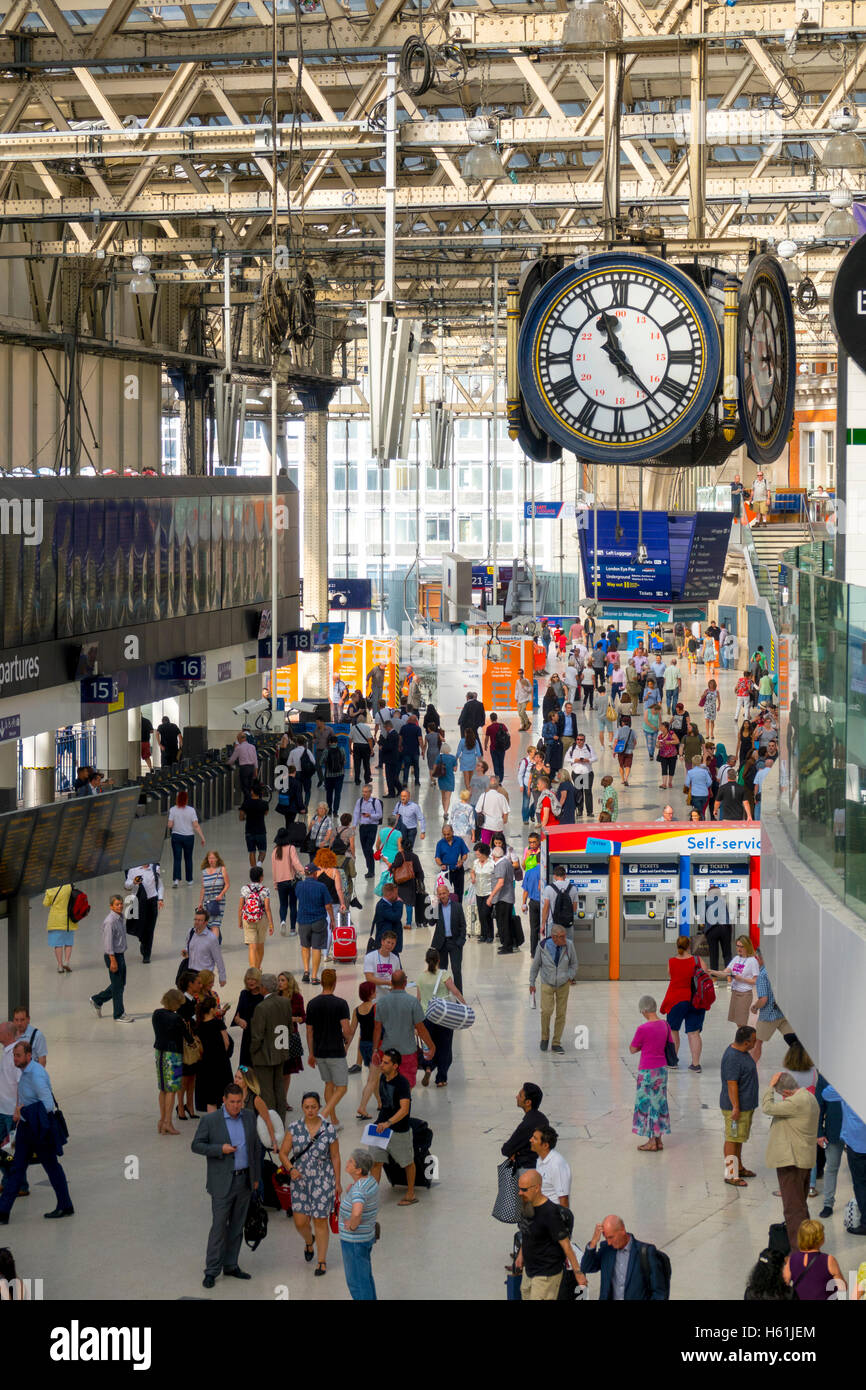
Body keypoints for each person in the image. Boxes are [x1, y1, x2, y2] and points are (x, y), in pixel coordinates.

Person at [191, 1082, 260, 1289]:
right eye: (232, 1102)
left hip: (244, 1180)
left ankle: (231, 1264)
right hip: (222, 1182)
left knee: (237, 1226)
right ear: (224, 1101)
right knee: (219, 1227)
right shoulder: (211, 1120)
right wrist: (220, 1149)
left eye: (239, 1102)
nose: (236, 1106)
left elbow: (255, 1148)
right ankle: (212, 1270)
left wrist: (255, 1177)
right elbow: (196, 1145)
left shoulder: (249, 1116)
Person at [0, 1037, 73, 1225]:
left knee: (51, 1167)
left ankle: (65, 1205)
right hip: (25, 1128)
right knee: (16, 1168)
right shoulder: (24, 1072)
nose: (15, 1059)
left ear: (28, 1055)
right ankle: (3, 1211)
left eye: (18, 1056)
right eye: (14, 1056)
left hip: (40, 1130)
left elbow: (48, 1105)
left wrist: (22, 1111)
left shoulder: (36, 1074)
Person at [278, 1090, 341, 1277]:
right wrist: (291, 1168)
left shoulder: (329, 1129)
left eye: (314, 1107)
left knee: (320, 1220)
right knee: (300, 1222)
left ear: (319, 1107)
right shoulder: (294, 1128)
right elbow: (283, 1153)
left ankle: (321, 1261)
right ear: (302, 1108)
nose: (310, 1110)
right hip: (300, 1181)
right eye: (307, 1107)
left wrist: (337, 1182)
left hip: (323, 1180)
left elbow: (335, 1156)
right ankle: (308, 1240)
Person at [763, 1070, 820, 1250]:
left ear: (785, 1092)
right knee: (800, 1208)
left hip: (792, 1163)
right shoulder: (809, 1097)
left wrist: (770, 1087)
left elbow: (767, 1108)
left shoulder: (795, 1102)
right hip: (803, 1160)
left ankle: (799, 1253)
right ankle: (809, 1245)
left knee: (793, 1210)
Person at [514, 1169, 584, 1300]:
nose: (520, 1193)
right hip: (529, 1270)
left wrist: (578, 1273)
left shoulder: (550, 1213)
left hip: (546, 1275)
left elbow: (566, 1245)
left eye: (524, 1189)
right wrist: (521, 1254)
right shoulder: (526, 1204)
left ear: (536, 1188)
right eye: (519, 1189)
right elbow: (527, 1232)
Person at [369, 1048, 419, 1206]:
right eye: (382, 1062)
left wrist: (388, 1123)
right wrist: (380, 1122)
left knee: (407, 1162)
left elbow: (404, 1109)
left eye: (386, 1063)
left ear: (395, 1065)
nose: (382, 1065)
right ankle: (372, 1196)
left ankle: (410, 1193)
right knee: (376, 1161)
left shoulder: (402, 1084)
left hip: (398, 1130)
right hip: (380, 1128)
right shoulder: (383, 1078)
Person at [580, 1215, 668, 1300]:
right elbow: (586, 1267)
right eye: (606, 1238)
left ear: (622, 1230)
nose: (609, 1242)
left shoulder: (646, 1252)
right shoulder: (606, 1250)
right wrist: (593, 1242)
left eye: (611, 1237)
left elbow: (659, 1292)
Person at [372, 970, 434, 1090]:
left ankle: (392, 1106)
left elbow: (377, 1028)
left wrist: (375, 1049)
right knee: (406, 1086)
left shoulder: (381, 1002)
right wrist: (431, 1046)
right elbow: (421, 1029)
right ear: (405, 983)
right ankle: (403, 1106)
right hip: (408, 1051)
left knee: (389, 1084)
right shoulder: (413, 1002)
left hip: (387, 1051)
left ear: (391, 983)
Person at [818, 1082, 866, 1234]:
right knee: (835, 1169)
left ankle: (864, 1219)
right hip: (846, 1136)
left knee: (860, 1184)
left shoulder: (846, 1084)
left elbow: (826, 1094)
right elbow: (822, 1098)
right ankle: (829, 1204)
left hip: (856, 1141)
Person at [305, 970, 351, 1126]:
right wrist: (347, 1039)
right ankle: (324, 1114)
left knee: (328, 1084)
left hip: (319, 1051)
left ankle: (333, 1119)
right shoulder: (341, 1004)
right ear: (335, 982)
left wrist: (311, 1053)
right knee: (342, 1087)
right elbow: (346, 1030)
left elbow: (309, 1031)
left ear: (322, 982)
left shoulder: (312, 1004)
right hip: (335, 1051)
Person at [416, 948, 465, 1089]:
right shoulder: (444, 974)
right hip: (444, 1017)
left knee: (430, 1045)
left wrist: (416, 1020)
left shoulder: (420, 977)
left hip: (427, 1017)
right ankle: (441, 1078)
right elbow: (455, 991)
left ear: (426, 961)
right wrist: (465, 1007)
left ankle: (428, 1067)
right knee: (444, 1047)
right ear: (438, 960)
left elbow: (418, 999)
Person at [629, 996, 671, 1153]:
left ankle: (651, 1141)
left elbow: (632, 1049)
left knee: (647, 1105)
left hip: (647, 1071)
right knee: (659, 1102)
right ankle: (659, 1139)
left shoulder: (643, 1029)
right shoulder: (665, 1025)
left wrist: (644, 1046)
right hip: (661, 1070)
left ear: (644, 1010)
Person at [249, 973, 293, 1121]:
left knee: (267, 1092)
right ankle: (281, 1120)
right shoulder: (286, 1002)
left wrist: (252, 1051)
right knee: (279, 1089)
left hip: (264, 1056)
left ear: (263, 988)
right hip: (281, 1052)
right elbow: (289, 1028)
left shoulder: (261, 1007)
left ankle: (271, 1125)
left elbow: (257, 1036)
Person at [720, 1025, 759, 1187]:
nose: (755, 1044)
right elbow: (731, 1084)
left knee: (738, 1138)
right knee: (732, 1138)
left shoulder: (742, 1052)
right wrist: (735, 1107)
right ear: (746, 1043)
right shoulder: (733, 1058)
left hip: (745, 1105)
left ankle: (739, 1167)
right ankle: (730, 1173)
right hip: (736, 1107)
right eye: (754, 1041)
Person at [529, 925, 578, 1055]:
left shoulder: (569, 945)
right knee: (546, 1011)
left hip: (563, 984)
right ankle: (545, 1037)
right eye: (562, 937)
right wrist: (532, 982)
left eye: (564, 936)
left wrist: (569, 977)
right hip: (547, 983)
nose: (564, 939)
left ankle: (556, 1042)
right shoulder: (543, 946)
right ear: (554, 937)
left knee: (561, 1013)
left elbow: (574, 964)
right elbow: (536, 965)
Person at [339, 1147, 379, 1300]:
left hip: (354, 1241)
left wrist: (352, 1225)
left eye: (351, 1162)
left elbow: (356, 1212)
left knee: (356, 1283)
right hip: (366, 1237)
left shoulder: (359, 1190)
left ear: (358, 1170)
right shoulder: (369, 1181)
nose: (347, 1163)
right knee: (365, 1278)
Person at [661, 936, 704, 1071]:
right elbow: (705, 976)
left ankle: (673, 1062)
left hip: (676, 1000)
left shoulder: (672, 962)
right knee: (694, 1033)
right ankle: (696, 1064)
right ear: (689, 946)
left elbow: (671, 975)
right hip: (695, 1000)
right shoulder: (697, 960)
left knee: (674, 1031)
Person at [89, 893, 133, 1023]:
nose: (120, 906)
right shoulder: (110, 921)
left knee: (119, 984)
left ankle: (97, 999)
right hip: (113, 956)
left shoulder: (119, 918)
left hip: (120, 955)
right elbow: (108, 943)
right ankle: (118, 1014)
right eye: (117, 904)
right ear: (111, 906)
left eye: (121, 904)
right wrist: (113, 960)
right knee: (118, 986)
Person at [781, 1219, 846, 1299]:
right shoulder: (829, 1260)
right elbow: (843, 1287)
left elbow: (784, 1284)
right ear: (821, 1239)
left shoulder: (792, 1259)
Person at [152, 988, 186, 1135]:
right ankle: (168, 1122)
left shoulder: (156, 1014)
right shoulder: (176, 1018)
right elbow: (187, 1036)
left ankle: (162, 1120)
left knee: (163, 1089)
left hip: (159, 1053)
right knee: (172, 1089)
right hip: (174, 1056)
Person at [295, 864, 335, 985]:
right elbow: (328, 905)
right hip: (318, 920)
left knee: (305, 946)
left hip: (303, 920)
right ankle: (314, 977)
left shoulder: (299, 885)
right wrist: (332, 920)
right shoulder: (321, 886)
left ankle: (306, 971)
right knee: (316, 948)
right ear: (314, 873)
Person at [709, 934, 759, 1028]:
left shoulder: (752, 961)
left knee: (741, 1022)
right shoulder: (736, 958)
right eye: (737, 946)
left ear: (747, 946)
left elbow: (755, 981)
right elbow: (725, 973)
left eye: (741, 946)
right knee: (737, 1022)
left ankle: (743, 1040)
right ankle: (742, 1040)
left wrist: (742, 979)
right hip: (735, 993)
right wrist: (712, 972)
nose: (739, 949)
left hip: (744, 994)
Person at [194, 992, 233, 1113]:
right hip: (220, 1062)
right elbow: (226, 1042)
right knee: (224, 1093)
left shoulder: (198, 1026)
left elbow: (198, 1045)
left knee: (210, 1097)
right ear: (211, 1010)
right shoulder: (218, 1023)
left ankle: (213, 1124)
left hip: (205, 1063)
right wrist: (223, 1055)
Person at [751, 952, 791, 1064]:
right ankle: (805, 1068)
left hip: (768, 1015)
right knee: (795, 1043)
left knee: (757, 1043)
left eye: (756, 957)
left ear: (760, 958)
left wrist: (755, 1007)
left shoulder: (763, 975)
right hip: (785, 1013)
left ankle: (749, 1069)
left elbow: (763, 1000)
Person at [815, 1073, 845, 1220]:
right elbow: (818, 1105)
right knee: (831, 1168)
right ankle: (828, 1204)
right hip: (834, 1131)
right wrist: (819, 1132)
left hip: (857, 1132)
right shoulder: (826, 1075)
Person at [501, 1083, 547, 1170]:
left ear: (528, 1102)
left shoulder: (527, 1125)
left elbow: (506, 1149)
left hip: (527, 1169)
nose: (517, 1097)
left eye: (520, 1096)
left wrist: (515, 1152)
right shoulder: (543, 1119)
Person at [237, 863, 274, 971]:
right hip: (261, 918)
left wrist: (239, 920)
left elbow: (240, 907)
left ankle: (253, 970)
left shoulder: (244, 889)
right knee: (260, 945)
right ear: (261, 877)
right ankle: (258, 968)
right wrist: (271, 924)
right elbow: (267, 908)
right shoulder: (265, 890)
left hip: (248, 919)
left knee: (252, 947)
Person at [182, 907, 227, 986]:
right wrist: (186, 950)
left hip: (204, 976)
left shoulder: (212, 938)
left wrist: (222, 978)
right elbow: (188, 946)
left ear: (206, 922)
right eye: (195, 919)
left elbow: (218, 959)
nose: (196, 922)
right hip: (191, 974)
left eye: (199, 920)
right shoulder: (191, 932)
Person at [168, 791, 205, 887]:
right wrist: (202, 837)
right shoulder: (191, 810)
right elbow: (196, 825)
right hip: (189, 837)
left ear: (177, 799)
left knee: (177, 858)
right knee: (188, 858)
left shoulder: (173, 810)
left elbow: (170, 825)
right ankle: (189, 880)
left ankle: (176, 880)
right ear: (186, 799)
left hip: (176, 837)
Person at [231, 967, 264, 1069]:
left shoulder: (264, 996)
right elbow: (237, 1016)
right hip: (247, 1036)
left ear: (259, 980)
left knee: (259, 1066)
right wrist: (239, 1020)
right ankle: (245, 1083)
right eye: (248, 979)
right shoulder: (244, 994)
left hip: (261, 1036)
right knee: (245, 1066)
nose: (250, 982)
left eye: (253, 979)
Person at [530, 1126, 571, 1208]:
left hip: (552, 1216)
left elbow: (563, 1198)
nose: (530, 1140)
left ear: (545, 1145)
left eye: (535, 1138)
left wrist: (564, 1219)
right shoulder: (540, 1159)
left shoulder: (557, 1164)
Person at [271, 830, 303, 937]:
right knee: (293, 905)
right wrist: (304, 872)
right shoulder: (291, 848)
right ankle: (293, 929)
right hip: (291, 882)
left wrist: (275, 883)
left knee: (283, 904)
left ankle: (282, 921)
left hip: (280, 882)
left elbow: (274, 869)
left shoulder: (275, 851)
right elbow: (296, 863)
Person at [489, 836, 517, 954]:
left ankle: (507, 946)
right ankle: (506, 943)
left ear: (494, 856)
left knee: (503, 922)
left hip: (504, 898)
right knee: (505, 921)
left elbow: (500, 883)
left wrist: (491, 896)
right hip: (507, 896)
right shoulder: (507, 862)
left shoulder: (501, 865)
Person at [43, 882, 77, 974]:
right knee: (68, 942)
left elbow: (46, 903)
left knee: (58, 944)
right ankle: (67, 961)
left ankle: (60, 965)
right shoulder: (69, 886)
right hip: (68, 919)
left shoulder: (50, 888)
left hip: (55, 920)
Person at [540, 863, 578, 944]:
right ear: (565, 876)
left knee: (553, 947)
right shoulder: (573, 888)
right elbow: (574, 909)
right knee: (568, 946)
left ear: (555, 876)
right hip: (568, 924)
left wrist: (543, 925)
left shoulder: (549, 888)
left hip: (553, 923)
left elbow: (546, 908)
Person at [353, 784, 384, 880]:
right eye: (363, 791)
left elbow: (379, 815)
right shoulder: (360, 801)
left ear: (370, 792)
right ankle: (369, 867)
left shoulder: (376, 802)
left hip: (372, 827)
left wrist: (370, 815)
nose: (364, 793)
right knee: (364, 849)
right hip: (362, 827)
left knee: (368, 848)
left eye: (366, 792)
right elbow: (356, 813)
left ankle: (371, 870)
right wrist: (354, 825)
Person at [239, 779, 269, 870]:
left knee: (251, 851)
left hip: (249, 831)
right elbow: (266, 813)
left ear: (252, 791)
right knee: (262, 851)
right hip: (261, 830)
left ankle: (253, 870)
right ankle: (259, 865)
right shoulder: (264, 804)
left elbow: (241, 817)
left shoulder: (246, 803)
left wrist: (245, 818)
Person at [434, 823, 469, 901]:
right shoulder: (440, 843)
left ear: (452, 832)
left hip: (458, 870)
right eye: (444, 834)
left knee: (459, 892)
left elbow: (465, 854)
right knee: (445, 892)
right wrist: (441, 864)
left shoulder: (459, 841)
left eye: (448, 834)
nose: (446, 836)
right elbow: (437, 857)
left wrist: (462, 861)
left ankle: (458, 909)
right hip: (446, 871)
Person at [198, 851, 228, 938]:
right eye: (209, 858)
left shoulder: (222, 869)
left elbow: (227, 884)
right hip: (207, 901)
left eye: (213, 858)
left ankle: (214, 946)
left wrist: (221, 894)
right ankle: (217, 940)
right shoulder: (204, 872)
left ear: (217, 859)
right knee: (210, 923)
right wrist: (200, 902)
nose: (211, 860)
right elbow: (203, 888)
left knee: (215, 924)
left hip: (218, 900)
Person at [364, 929, 402, 996]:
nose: (390, 945)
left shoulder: (395, 959)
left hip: (390, 997)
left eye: (392, 943)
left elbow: (397, 977)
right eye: (388, 942)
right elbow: (369, 978)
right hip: (374, 997)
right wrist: (387, 983)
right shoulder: (370, 957)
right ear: (382, 942)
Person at [470, 841, 495, 943]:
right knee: (480, 914)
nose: (477, 856)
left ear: (484, 853)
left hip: (488, 892)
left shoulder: (492, 864)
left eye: (478, 854)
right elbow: (472, 871)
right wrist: (473, 878)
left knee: (486, 914)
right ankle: (483, 934)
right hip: (478, 892)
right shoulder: (476, 863)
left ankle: (490, 934)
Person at [394, 787, 425, 853]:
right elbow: (394, 815)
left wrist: (423, 832)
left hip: (411, 830)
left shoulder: (414, 806)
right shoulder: (398, 804)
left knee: (409, 848)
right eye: (401, 796)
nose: (403, 798)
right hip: (401, 830)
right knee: (400, 848)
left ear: (409, 797)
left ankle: (409, 862)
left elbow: (421, 818)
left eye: (405, 796)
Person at [321, 735, 347, 817]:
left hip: (329, 775)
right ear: (337, 742)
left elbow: (320, 762)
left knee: (329, 793)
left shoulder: (326, 750)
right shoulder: (341, 749)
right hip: (340, 774)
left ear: (329, 742)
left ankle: (329, 811)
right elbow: (344, 761)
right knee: (337, 794)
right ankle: (335, 812)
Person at [227, 730, 259, 796]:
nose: (237, 740)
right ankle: (248, 803)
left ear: (240, 739)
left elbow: (232, 759)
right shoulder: (252, 747)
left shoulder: (239, 748)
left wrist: (227, 763)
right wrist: (256, 771)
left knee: (244, 787)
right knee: (250, 787)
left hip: (244, 769)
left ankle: (248, 802)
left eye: (238, 739)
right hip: (251, 768)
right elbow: (255, 760)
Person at [349, 714, 374, 786]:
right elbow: (369, 740)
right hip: (365, 747)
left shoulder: (353, 727)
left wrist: (350, 748)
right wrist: (371, 749)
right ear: (364, 720)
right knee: (366, 764)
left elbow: (350, 739)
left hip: (356, 747)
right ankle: (367, 779)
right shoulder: (367, 727)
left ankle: (357, 780)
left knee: (357, 764)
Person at [434, 741, 458, 816]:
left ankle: (444, 809)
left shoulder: (439, 757)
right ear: (449, 749)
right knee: (448, 797)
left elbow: (434, 767)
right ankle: (445, 812)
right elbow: (455, 769)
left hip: (441, 778)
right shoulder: (453, 758)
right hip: (450, 779)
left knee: (443, 796)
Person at [455, 724, 481, 789]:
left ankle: (468, 790)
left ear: (466, 734)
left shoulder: (462, 741)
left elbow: (458, 752)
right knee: (470, 778)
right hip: (472, 760)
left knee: (466, 777)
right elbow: (478, 753)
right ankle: (469, 789)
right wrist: (480, 762)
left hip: (464, 760)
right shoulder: (475, 741)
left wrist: (455, 761)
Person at [656, 721, 679, 791]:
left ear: (665, 727)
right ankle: (664, 784)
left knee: (672, 769)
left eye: (661, 726)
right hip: (663, 755)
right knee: (664, 769)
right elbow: (657, 744)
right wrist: (658, 745)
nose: (660, 728)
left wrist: (669, 742)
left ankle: (670, 782)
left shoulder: (671, 733)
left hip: (672, 755)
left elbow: (677, 741)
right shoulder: (660, 736)